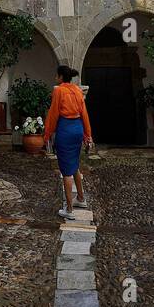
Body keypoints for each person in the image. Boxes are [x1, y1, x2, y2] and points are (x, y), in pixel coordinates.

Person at [43, 65, 93, 219]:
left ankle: (69, 209)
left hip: (65, 129)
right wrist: (88, 135)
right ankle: (81, 198)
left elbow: (53, 113)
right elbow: (84, 114)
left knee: (66, 170)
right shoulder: (77, 90)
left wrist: (47, 134)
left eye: (56, 76)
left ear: (60, 77)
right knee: (75, 164)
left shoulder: (59, 90)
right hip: (77, 128)